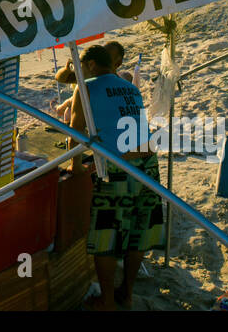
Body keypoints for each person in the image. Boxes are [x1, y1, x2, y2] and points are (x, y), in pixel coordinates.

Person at [67, 45, 163, 311]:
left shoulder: (85, 87)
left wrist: (74, 168)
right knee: (138, 232)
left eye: (81, 67)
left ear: (91, 65)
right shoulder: (130, 87)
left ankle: (107, 301)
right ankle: (127, 293)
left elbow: (75, 130)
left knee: (106, 236)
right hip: (148, 163)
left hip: (120, 167)